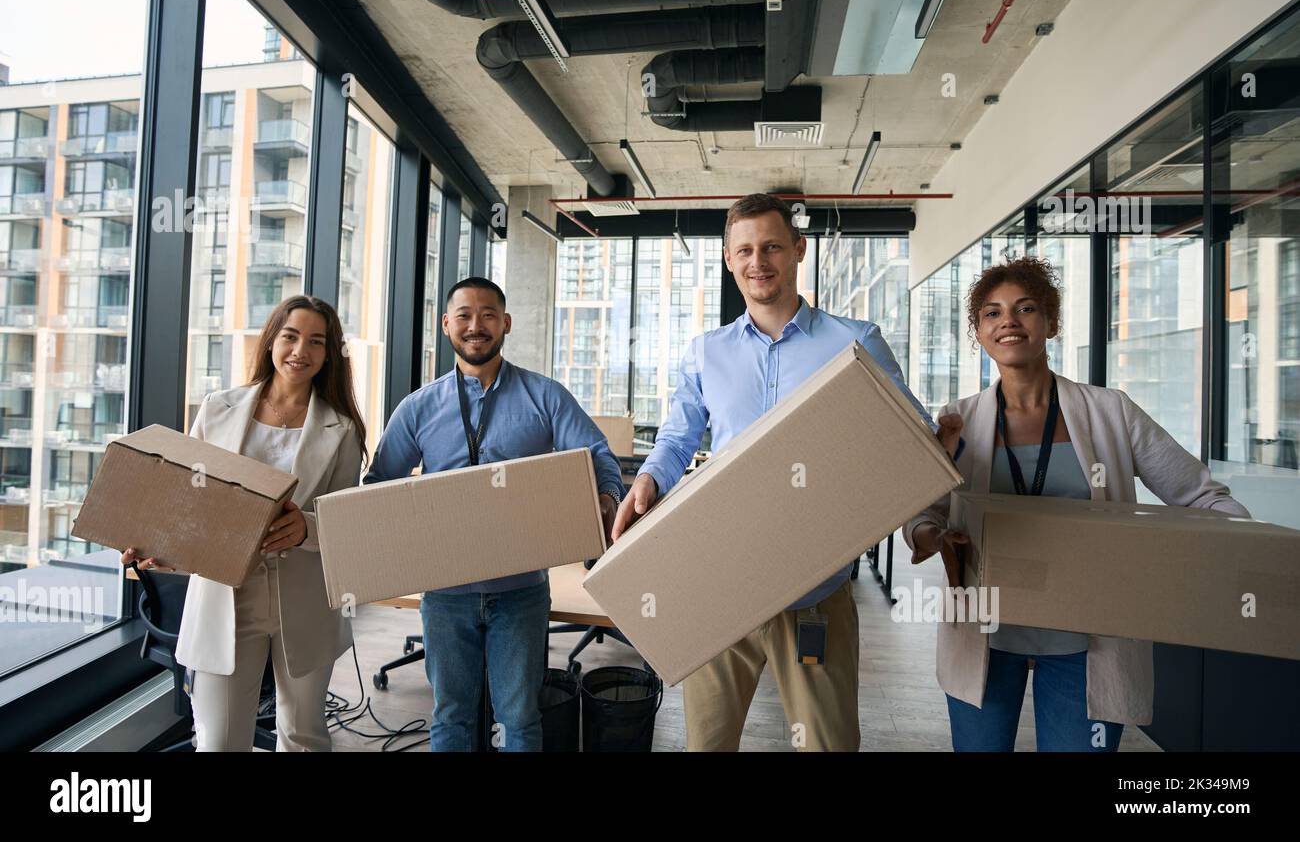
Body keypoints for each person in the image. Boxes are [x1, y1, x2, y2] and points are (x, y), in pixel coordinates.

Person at [611, 193, 959, 751]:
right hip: (720, 586)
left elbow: (908, 439)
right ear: (728, 260)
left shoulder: (855, 341)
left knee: (828, 743)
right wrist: (649, 480)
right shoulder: (706, 352)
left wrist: (928, 463)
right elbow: (677, 438)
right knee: (706, 743)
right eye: (744, 250)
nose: (758, 261)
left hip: (815, 589)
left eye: (772, 246)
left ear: (798, 249)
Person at [904, 256, 1249, 752]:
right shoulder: (958, 422)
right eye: (992, 313)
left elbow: (1200, 494)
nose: (1008, 322)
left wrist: (1251, 557)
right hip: (987, 631)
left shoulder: (1111, 413)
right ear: (978, 332)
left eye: (1025, 308)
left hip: (1086, 640)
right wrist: (934, 537)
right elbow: (922, 513)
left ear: (1051, 321)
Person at [364, 276, 624, 752]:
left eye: (487, 315)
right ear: (446, 325)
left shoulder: (544, 397)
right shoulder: (418, 408)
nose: (476, 325)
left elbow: (599, 457)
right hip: (446, 593)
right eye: (464, 315)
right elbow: (379, 485)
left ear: (505, 323)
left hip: (520, 590)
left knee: (521, 719)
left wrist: (605, 499)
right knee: (450, 719)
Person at [123, 294, 366, 751]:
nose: (301, 351)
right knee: (219, 741)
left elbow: (346, 518)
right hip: (226, 596)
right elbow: (184, 499)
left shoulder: (342, 428)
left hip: (306, 596)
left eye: (316, 341)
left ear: (329, 353)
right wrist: (154, 542)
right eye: (291, 336)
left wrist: (306, 528)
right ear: (271, 339)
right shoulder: (219, 409)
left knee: (303, 735)